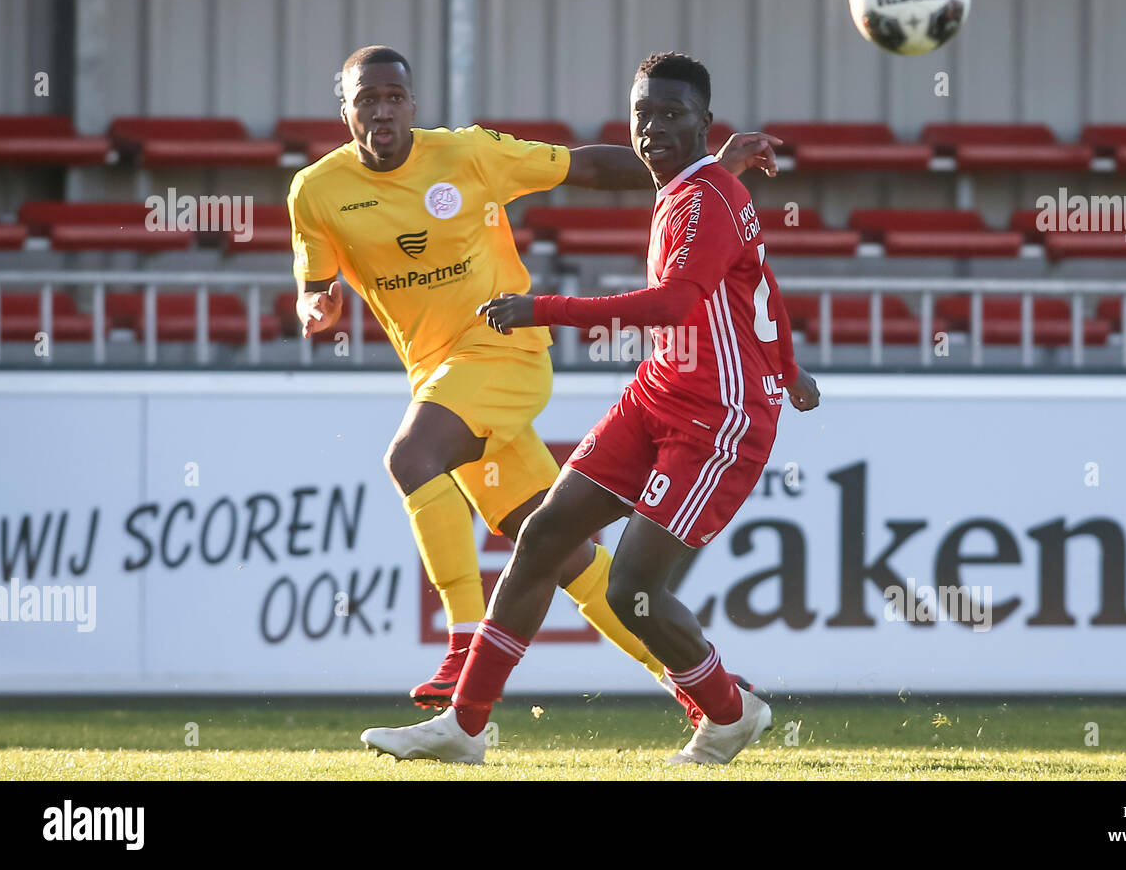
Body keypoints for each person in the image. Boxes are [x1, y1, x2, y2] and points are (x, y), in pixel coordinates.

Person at [290, 45, 781, 717]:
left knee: (412, 456)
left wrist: (704, 169)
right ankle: (700, 691)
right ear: (344, 109)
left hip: (504, 350)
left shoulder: (467, 155)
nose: (382, 110)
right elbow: (313, 283)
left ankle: (463, 641)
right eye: (367, 99)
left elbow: (589, 167)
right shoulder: (315, 191)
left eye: (393, 97)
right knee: (559, 550)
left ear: (413, 104)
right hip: (439, 377)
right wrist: (315, 304)